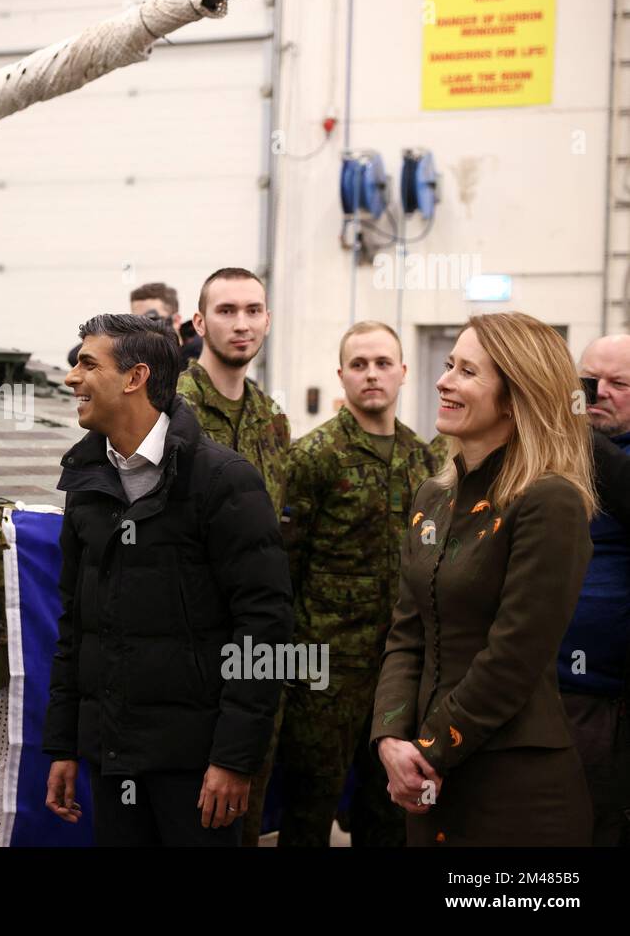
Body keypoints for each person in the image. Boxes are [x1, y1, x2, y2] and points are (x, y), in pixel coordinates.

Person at [44, 313, 292, 846]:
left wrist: (233, 758)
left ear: (134, 378)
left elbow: (265, 629)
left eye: (88, 364)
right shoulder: (86, 483)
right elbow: (76, 624)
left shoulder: (224, 481)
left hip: (198, 770)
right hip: (113, 761)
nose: (72, 378)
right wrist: (64, 744)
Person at [371, 312, 596, 846]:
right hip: (425, 782)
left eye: (467, 372)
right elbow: (406, 634)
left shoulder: (549, 501)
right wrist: (388, 739)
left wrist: (427, 752)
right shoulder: (435, 497)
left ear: (517, 399)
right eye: (449, 365)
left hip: (511, 788)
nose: (444, 380)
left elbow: (514, 657)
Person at [277, 321, 435, 847]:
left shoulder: (427, 462)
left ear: (403, 373)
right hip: (323, 672)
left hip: (400, 672)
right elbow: (285, 570)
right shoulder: (311, 457)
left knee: (389, 812)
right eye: (360, 365)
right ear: (341, 375)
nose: (372, 375)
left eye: (383, 363)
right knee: (308, 810)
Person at [177, 266, 290, 845]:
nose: (241, 323)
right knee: (187, 821)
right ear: (199, 323)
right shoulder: (169, 411)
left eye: (253, 310)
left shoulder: (273, 420)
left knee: (243, 817)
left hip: (254, 652)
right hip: (184, 658)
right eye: (226, 311)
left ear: (268, 320)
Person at [560, 335, 630, 845]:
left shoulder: (599, 452)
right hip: (551, 687)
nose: (598, 392)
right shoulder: (557, 453)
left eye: (618, 383)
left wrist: (574, 426)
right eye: (588, 380)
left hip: (611, 697)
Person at [66, 282, 199, 368]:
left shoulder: (200, 353)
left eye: (151, 319)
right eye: (137, 320)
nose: (143, 327)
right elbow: (76, 356)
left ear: (176, 320)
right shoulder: (135, 351)